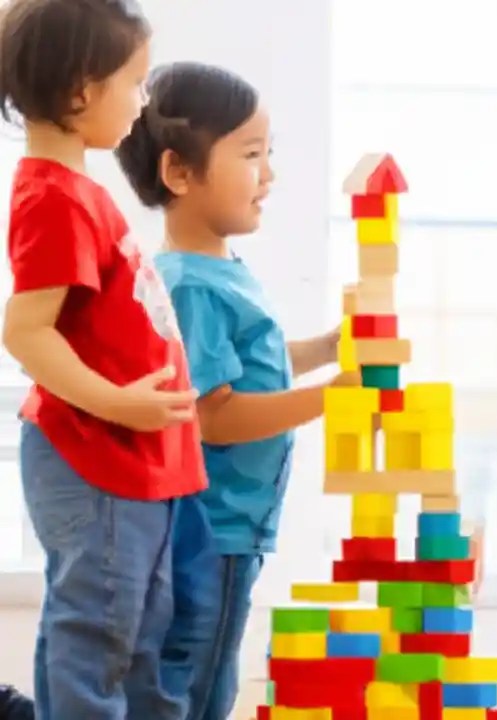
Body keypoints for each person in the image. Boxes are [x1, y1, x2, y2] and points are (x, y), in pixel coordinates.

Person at [113, 62, 353, 720]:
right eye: (251, 155)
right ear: (180, 174)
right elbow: (215, 417)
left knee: (209, 667)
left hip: (233, 527)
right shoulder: (190, 285)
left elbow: (258, 368)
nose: (268, 175)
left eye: (267, 153)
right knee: (201, 676)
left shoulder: (220, 271)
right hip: (211, 528)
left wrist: (327, 349)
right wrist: (334, 395)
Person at [0, 1, 209, 718]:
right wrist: (119, 403)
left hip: (130, 457)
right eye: (136, 82)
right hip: (96, 455)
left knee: (137, 631)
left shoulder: (80, 192)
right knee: (98, 629)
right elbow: (26, 331)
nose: (144, 100)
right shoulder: (54, 199)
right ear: (81, 91)